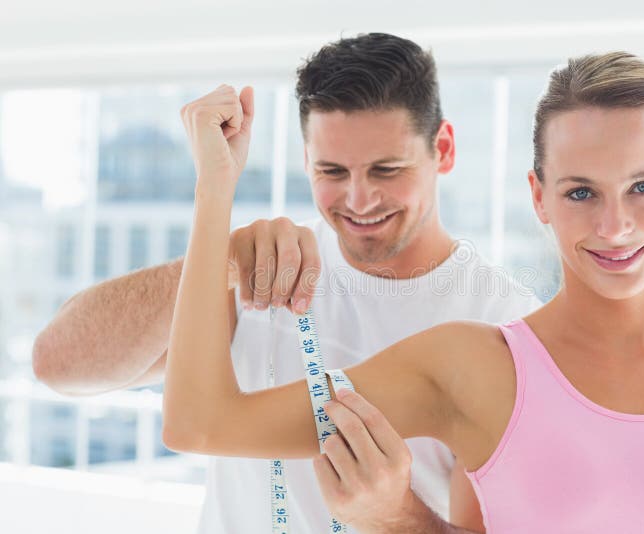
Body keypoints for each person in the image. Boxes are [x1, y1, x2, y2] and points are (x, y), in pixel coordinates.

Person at [163, 50, 644, 533]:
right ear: (539, 197)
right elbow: (201, 422)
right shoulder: (473, 366)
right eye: (581, 192)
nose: (615, 226)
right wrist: (214, 191)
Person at [32, 33, 537, 533]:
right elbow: (59, 364)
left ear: (443, 149)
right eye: (332, 170)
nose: (359, 199)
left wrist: (397, 517)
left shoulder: (509, 327)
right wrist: (220, 259)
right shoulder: (261, 271)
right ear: (306, 161)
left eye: (387, 169)